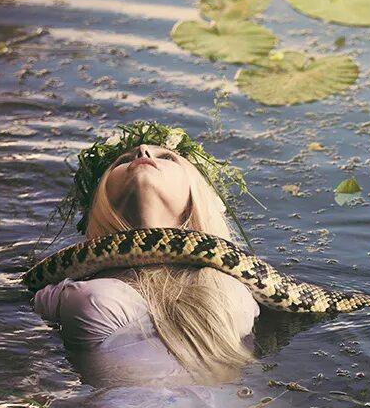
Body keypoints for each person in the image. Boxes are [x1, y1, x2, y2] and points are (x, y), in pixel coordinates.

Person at [33, 122, 260, 385]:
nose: (142, 151)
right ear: (100, 199)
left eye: (167, 157)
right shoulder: (67, 286)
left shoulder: (237, 281)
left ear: (196, 196)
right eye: (124, 160)